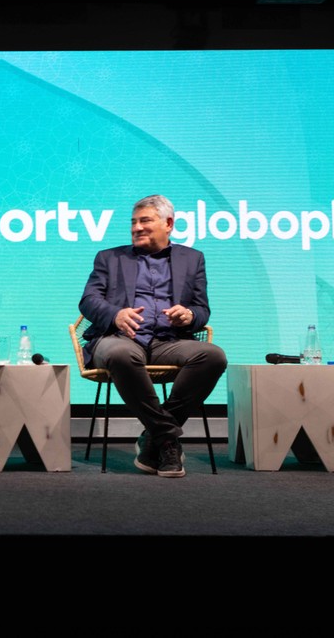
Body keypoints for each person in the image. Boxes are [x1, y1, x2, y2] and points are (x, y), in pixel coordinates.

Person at [79, 194, 227, 478]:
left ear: (169, 223)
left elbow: (202, 309)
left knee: (213, 356)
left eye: (145, 221)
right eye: (133, 222)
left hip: (168, 342)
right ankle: (167, 438)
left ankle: (153, 438)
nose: (136, 227)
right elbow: (88, 300)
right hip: (118, 338)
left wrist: (190, 316)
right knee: (121, 354)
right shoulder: (109, 258)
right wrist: (116, 315)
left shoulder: (192, 259)